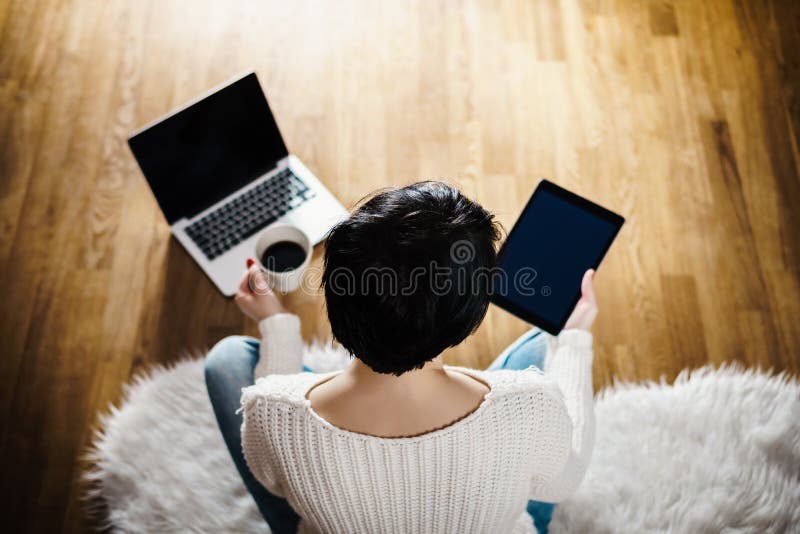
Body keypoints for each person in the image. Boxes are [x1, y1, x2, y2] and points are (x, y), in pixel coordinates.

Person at [205, 181, 596, 534]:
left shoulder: (272, 412)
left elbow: (270, 479)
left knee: (227, 360)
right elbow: (563, 481)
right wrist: (574, 339)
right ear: (468, 317)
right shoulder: (529, 402)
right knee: (540, 346)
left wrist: (276, 322)